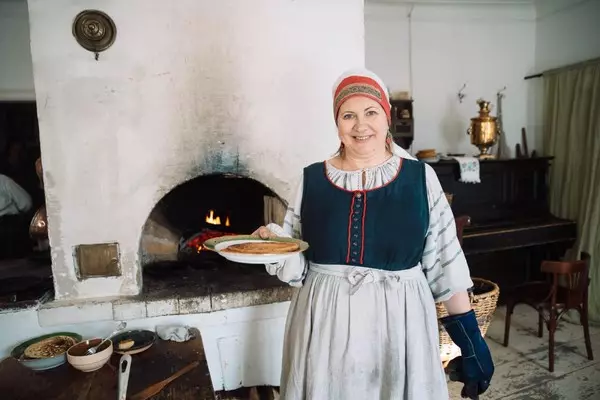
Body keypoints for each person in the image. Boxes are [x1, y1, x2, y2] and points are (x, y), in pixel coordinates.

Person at [253, 69, 494, 399]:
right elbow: (299, 268)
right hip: (325, 324)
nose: (360, 125)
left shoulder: (421, 179)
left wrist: (471, 342)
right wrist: (276, 246)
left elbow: (445, 267)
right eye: (348, 115)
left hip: (399, 323)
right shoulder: (311, 179)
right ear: (337, 122)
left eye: (370, 112)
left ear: (387, 116)